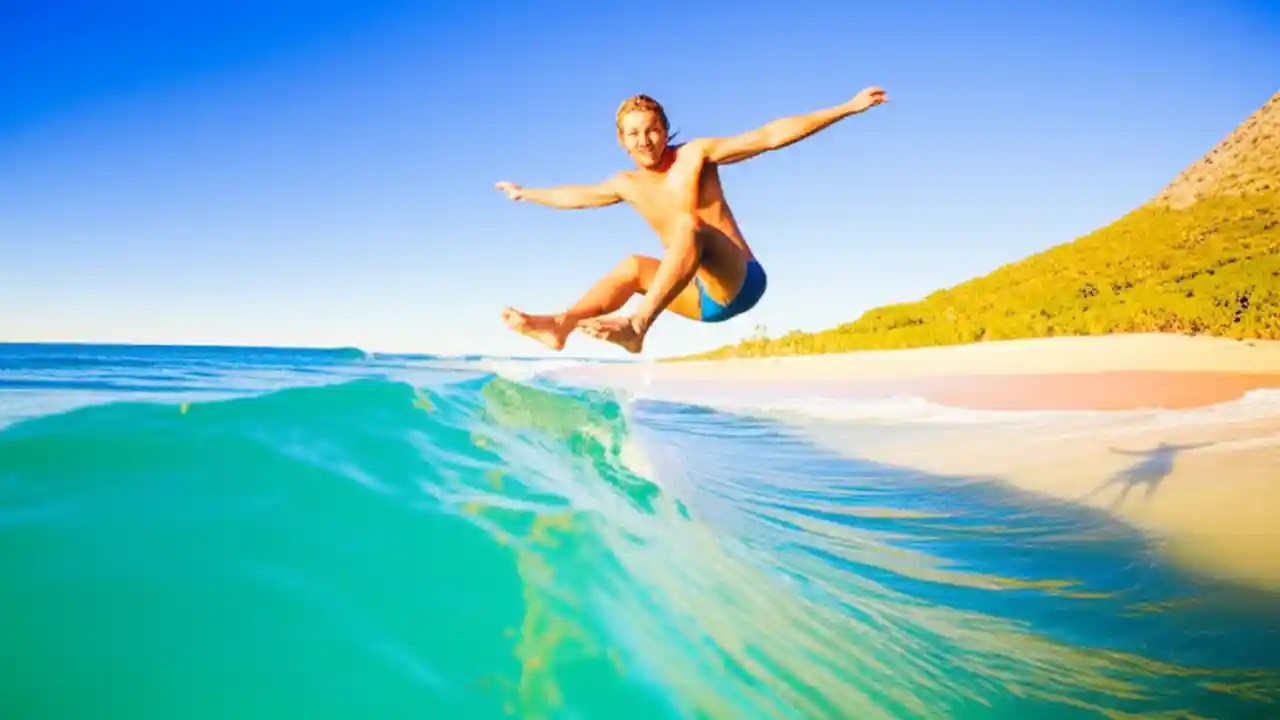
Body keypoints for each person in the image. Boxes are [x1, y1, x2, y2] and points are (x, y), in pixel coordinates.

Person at [495, 86, 888, 354]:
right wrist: (526, 193)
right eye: (633, 133)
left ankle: (637, 327)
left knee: (688, 225)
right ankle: (562, 325)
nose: (644, 140)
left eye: (652, 130)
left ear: (665, 131)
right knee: (632, 266)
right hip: (698, 298)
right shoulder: (625, 183)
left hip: (741, 279)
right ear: (621, 140)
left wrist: (846, 108)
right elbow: (574, 197)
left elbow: (768, 136)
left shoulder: (695, 156)